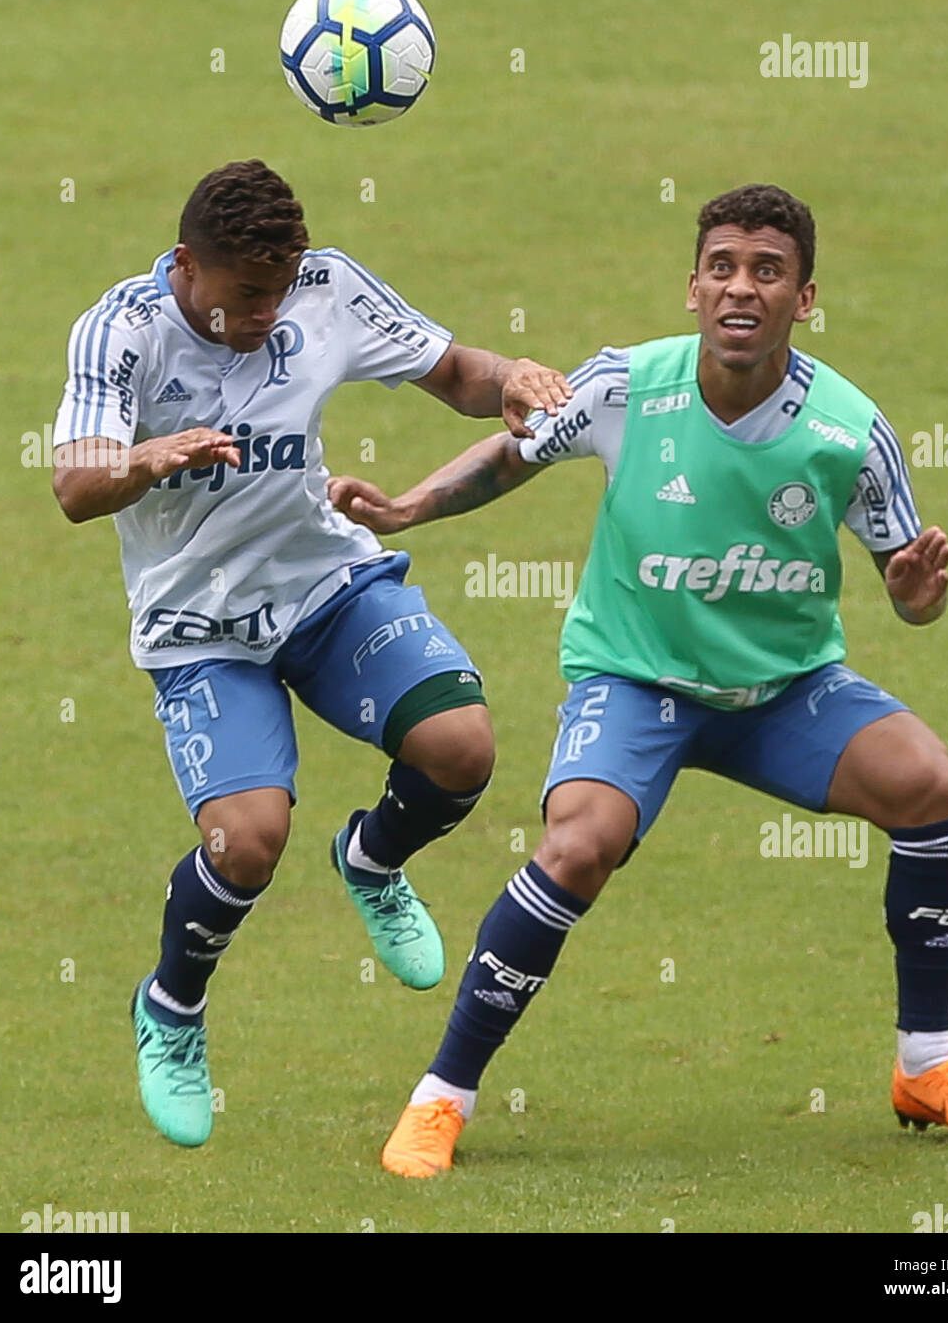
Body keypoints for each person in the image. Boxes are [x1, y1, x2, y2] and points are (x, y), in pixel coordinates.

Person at [327, 183, 948, 1176]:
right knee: (579, 844)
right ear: (693, 288)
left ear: (805, 297)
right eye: (722, 267)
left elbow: (912, 593)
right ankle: (442, 1096)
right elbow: (514, 453)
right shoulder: (625, 386)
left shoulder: (848, 432)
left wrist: (918, 598)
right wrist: (406, 507)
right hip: (634, 683)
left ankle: (926, 1062)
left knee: (931, 787)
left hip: (782, 693)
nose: (741, 288)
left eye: (767, 271)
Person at [51, 158, 571, 1149]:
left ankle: (372, 859)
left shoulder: (324, 288)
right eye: (247, 296)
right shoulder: (120, 330)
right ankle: (172, 1006)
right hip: (199, 630)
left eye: (277, 291)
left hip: (323, 587)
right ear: (184, 267)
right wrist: (152, 456)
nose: (267, 314)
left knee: (461, 746)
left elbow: (456, 372)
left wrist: (517, 379)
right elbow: (76, 485)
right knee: (245, 842)